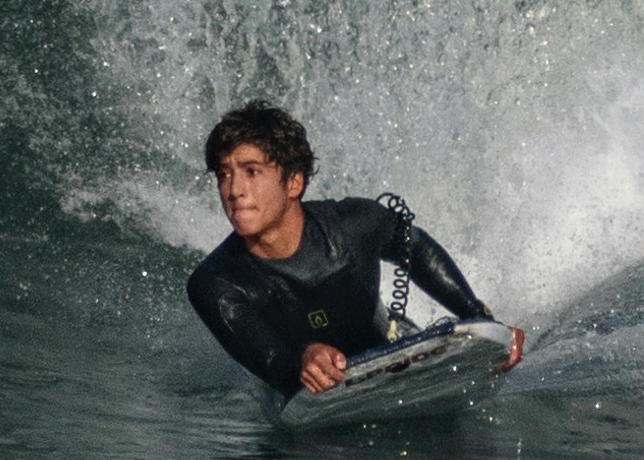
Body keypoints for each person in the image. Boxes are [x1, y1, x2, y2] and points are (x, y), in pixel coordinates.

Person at [185, 101, 519, 398]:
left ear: (293, 183)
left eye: (252, 171)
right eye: (224, 175)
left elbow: (412, 247)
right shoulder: (216, 283)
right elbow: (271, 363)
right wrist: (302, 360)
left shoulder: (354, 225)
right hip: (304, 384)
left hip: (388, 343)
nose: (234, 190)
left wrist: (478, 317)